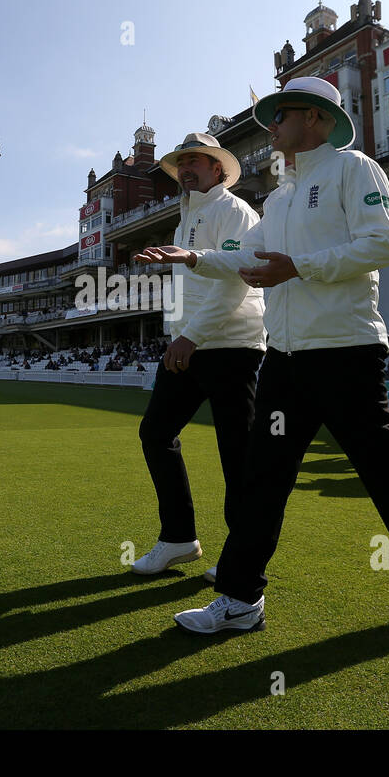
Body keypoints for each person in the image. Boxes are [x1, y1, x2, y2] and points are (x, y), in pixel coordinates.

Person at [137, 76, 389, 634]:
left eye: (280, 115)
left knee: (383, 473)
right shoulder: (283, 195)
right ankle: (239, 598)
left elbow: (382, 245)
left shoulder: (354, 168)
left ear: (313, 117)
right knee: (262, 476)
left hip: (345, 350)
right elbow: (245, 254)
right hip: (284, 358)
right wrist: (192, 255)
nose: (271, 127)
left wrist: (298, 267)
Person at [130, 133, 267, 581]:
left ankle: (239, 556)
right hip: (189, 342)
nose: (187, 168)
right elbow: (187, 288)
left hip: (231, 347)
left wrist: (188, 336)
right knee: (156, 432)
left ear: (219, 170)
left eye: (197, 161)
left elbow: (237, 281)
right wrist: (179, 334)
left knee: (238, 453)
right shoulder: (184, 218)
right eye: (181, 163)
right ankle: (178, 539)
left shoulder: (235, 211)